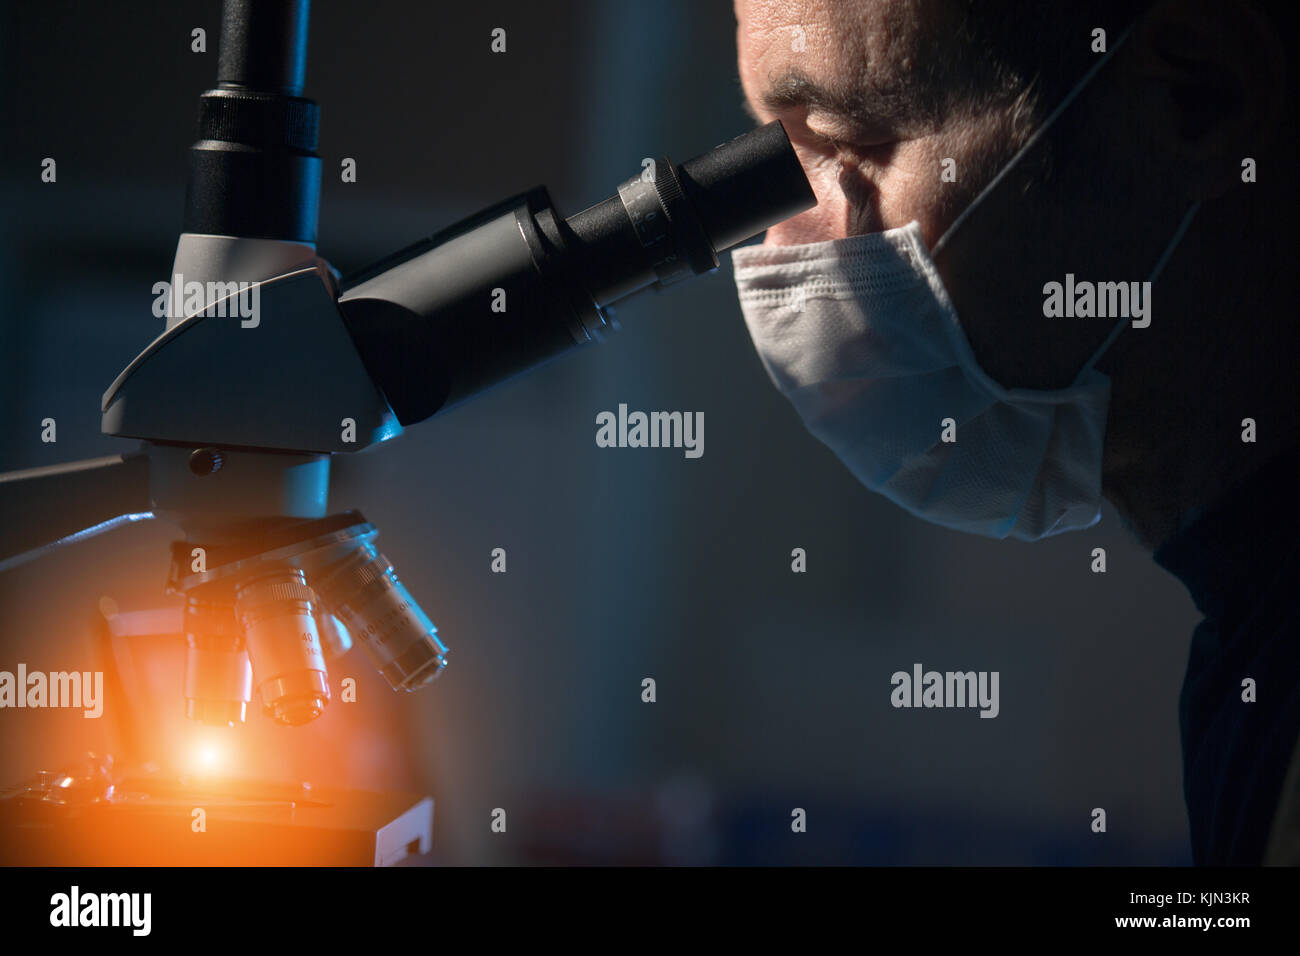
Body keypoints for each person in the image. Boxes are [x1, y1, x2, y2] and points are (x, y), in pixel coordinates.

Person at [729, 0, 1298, 865]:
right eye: (781, 158)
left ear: (1197, 98)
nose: (786, 247)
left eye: (851, 144)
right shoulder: (1252, 629)